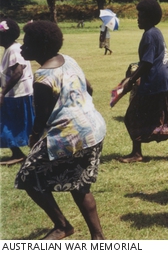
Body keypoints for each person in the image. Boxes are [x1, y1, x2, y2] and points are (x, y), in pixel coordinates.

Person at [15, 21, 106, 240]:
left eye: (26, 43)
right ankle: (98, 237)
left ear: (41, 46)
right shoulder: (68, 60)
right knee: (80, 184)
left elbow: (42, 116)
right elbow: (89, 87)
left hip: (71, 134)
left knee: (28, 177)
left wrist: (34, 137)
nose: (21, 47)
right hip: (93, 128)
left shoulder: (43, 77)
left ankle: (62, 226)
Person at [119, 0, 168, 163]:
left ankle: (137, 153)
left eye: (141, 16)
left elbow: (148, 63)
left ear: (149, 18)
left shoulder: (149, 35)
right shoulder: (155, 32)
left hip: (156, 83)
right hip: (166, 80)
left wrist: (131, 80)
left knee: (132, 115)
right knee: (164, 117)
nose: (138, 19)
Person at [0, 18, 34, 166]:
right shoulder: (10, 49)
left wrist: (3, 92)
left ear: (5, 36)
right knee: (8, 124)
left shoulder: (13, 49)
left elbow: (18, 72)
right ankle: (17, 153)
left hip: (18, 95)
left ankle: (20, 154)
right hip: (14, 95)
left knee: (9, 124)